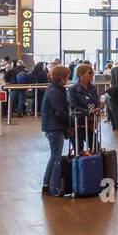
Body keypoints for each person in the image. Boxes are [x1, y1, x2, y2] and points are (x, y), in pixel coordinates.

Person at [40, 64, 72, 193]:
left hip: (53, 126)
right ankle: (47, 184)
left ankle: (50, 183)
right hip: (54, 127)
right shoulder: (55, 91)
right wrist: (71, 122)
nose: (68, 79)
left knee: (56, 155)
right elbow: (60, 112)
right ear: (62, 78)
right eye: (67, 77)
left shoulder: (55, 89)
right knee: (55, 156)